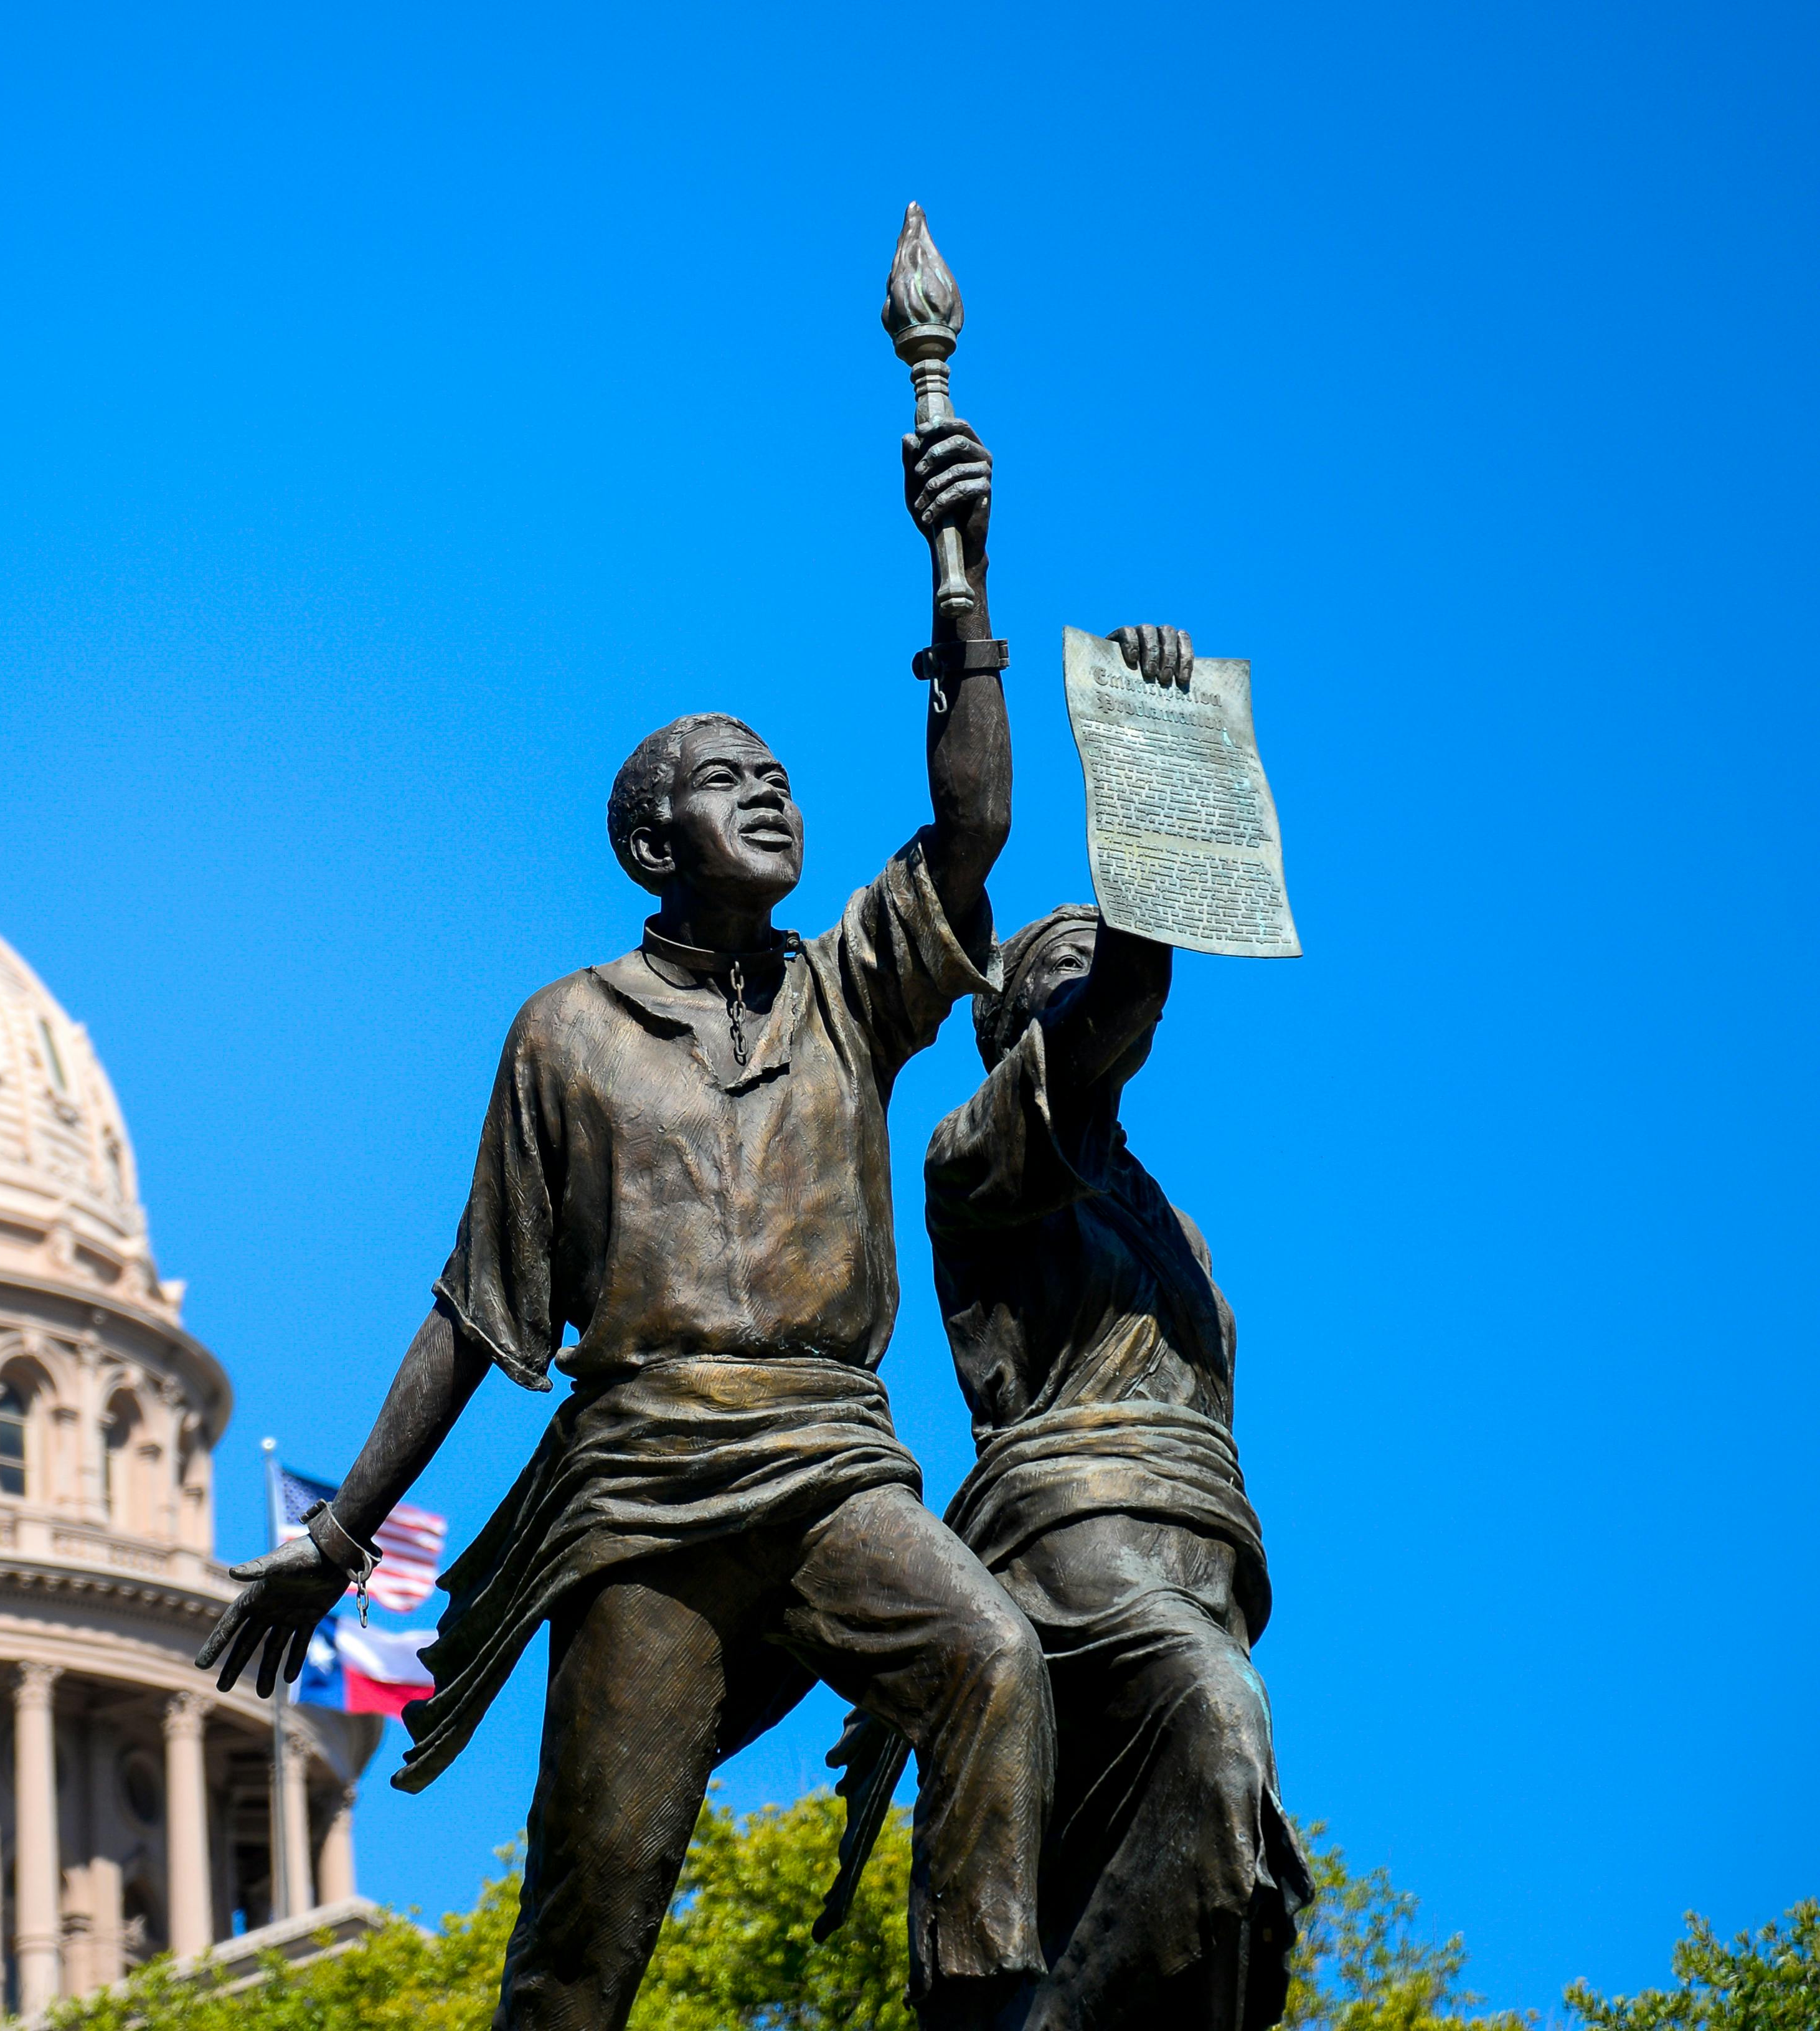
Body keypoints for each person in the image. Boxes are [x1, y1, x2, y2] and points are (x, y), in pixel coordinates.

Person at [197, 413, 1050, 2031]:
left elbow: (970, 830)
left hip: (825, 1468)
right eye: (736, 786)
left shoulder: (845, 986)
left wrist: (960, 575)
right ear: (652, 841)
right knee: (588, 1934)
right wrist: (334, 1534)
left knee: (990, 1658)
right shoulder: (566, 1034)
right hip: (645, 1493)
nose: (776, 802)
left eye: (783, 781)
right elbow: (476, 1314)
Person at [916, 636, 1314, 2031]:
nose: (1103, 989)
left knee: (1230, 1924)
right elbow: (1119, 1002)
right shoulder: (980, 1159)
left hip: (1203, 1558)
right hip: (1072, 1555)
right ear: (1014, 1024)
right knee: (1216, 1729)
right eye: (1063, 969)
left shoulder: (1177, 1223)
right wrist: (1145, 777)